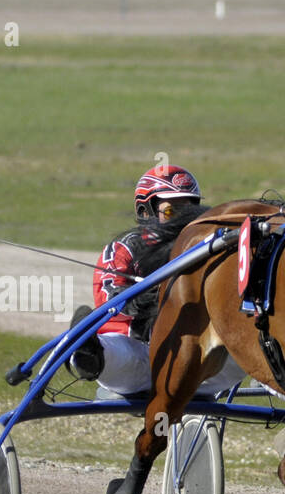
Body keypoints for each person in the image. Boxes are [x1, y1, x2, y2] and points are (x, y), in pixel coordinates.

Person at [69, 164, 246, 397]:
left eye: (190, 211)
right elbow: (109, 299)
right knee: (116, 352)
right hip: (137, 357)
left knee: (244, 346)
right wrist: (158, 297)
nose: (183, 220)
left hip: (197, 362)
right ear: (145, 211)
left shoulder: (207, 246)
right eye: (173, 212)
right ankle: (87, 354)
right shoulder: (125, 248)